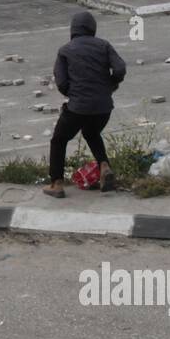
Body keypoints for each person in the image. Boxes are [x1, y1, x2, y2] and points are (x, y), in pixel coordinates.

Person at [45, 11, 127, 199]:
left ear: (73, 30)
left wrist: (73, 94)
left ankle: (56, 183)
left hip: (78, 107)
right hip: (104, 107)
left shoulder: (65, 50)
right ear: (93, 29)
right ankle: (104, 166)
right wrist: (111, 84)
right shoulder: (104, 45)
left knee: (59, 140)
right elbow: (120, 68)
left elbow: (61, 82)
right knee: (91, 132)